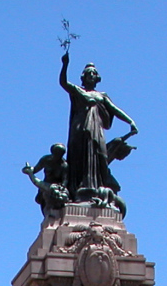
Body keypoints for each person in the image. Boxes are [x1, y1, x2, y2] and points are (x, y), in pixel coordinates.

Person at [59, 51, 137, 202]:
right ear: (83, 76)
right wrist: (65, 65)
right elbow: (63, 82)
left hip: (96, 130)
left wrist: (130, 121)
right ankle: (79, 189)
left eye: (94, 73)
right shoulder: (78, 90)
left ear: (97, 78)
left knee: (99, 154)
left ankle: (96, 189)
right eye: (88, 73)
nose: (91, 75)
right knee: (80, 157)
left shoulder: (102, 96)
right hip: (80, 129)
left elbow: (115, 109)